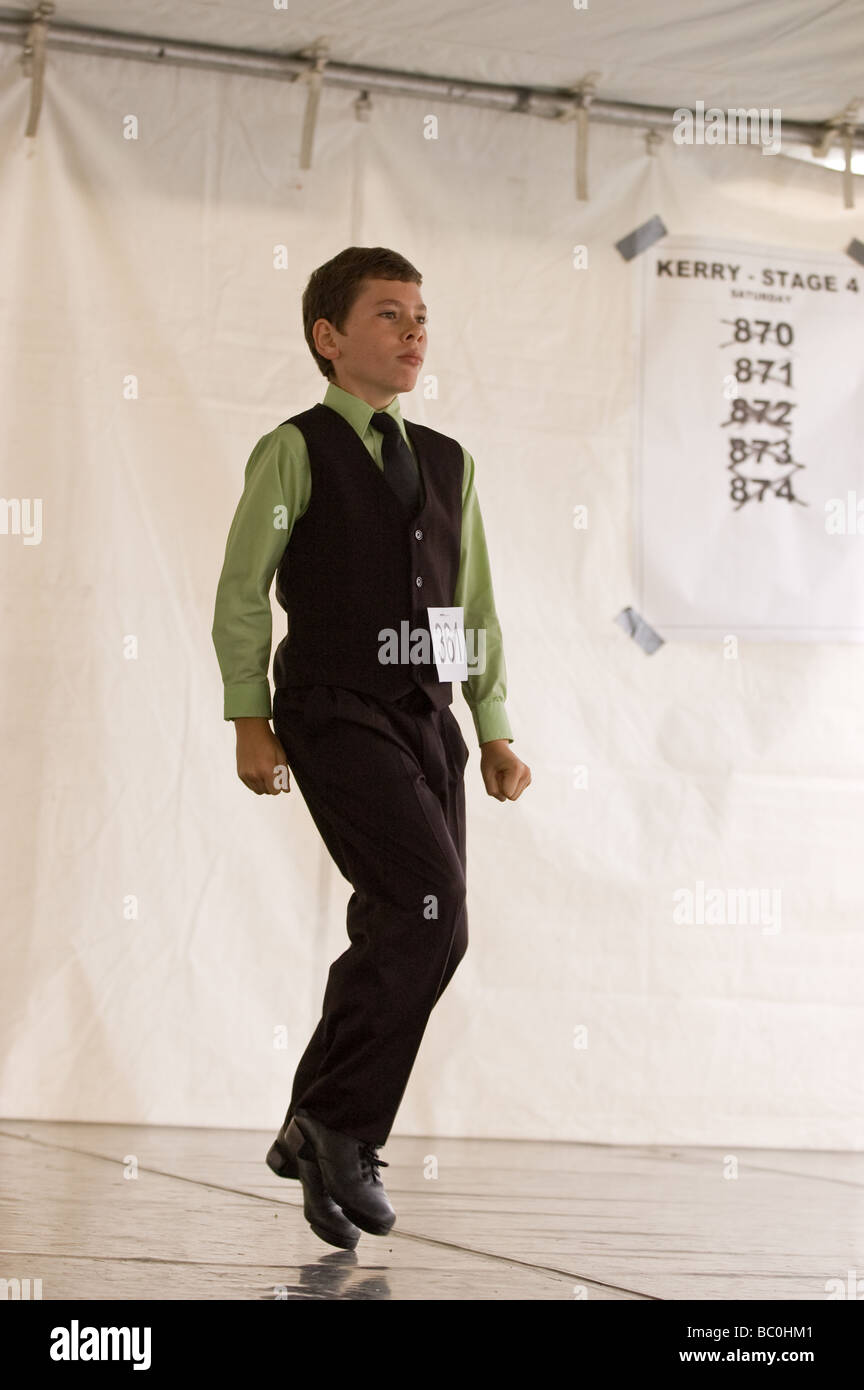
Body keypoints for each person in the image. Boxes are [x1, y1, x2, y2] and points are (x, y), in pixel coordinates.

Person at [211, 245, 531, 1249]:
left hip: (425, 715)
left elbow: (472, 600)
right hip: (334, 705)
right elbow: (240, 586)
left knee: (440, 922)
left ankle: (318, 1124)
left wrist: (493, 726)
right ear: (330, 337)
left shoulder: (448, 460)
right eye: (390, 314)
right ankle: (343, 1126)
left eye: (422, 315)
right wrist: (249, 717)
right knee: (422, 902)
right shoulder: (294, 449)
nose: (414, 331)